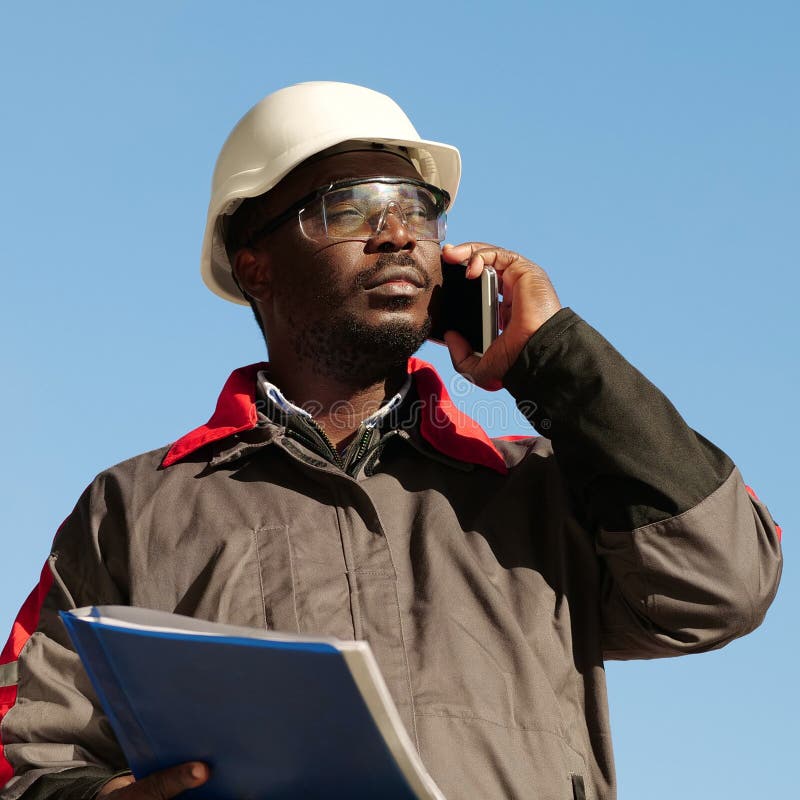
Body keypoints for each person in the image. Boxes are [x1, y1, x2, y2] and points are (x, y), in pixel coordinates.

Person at [0, 81, 782, 800]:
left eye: (417, 208)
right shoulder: (133, 508)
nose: (398, 235)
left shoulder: (547, 486)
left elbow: (724, 585)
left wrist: (556, 357)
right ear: (254, 263)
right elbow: (24, 755)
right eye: (350, 208)